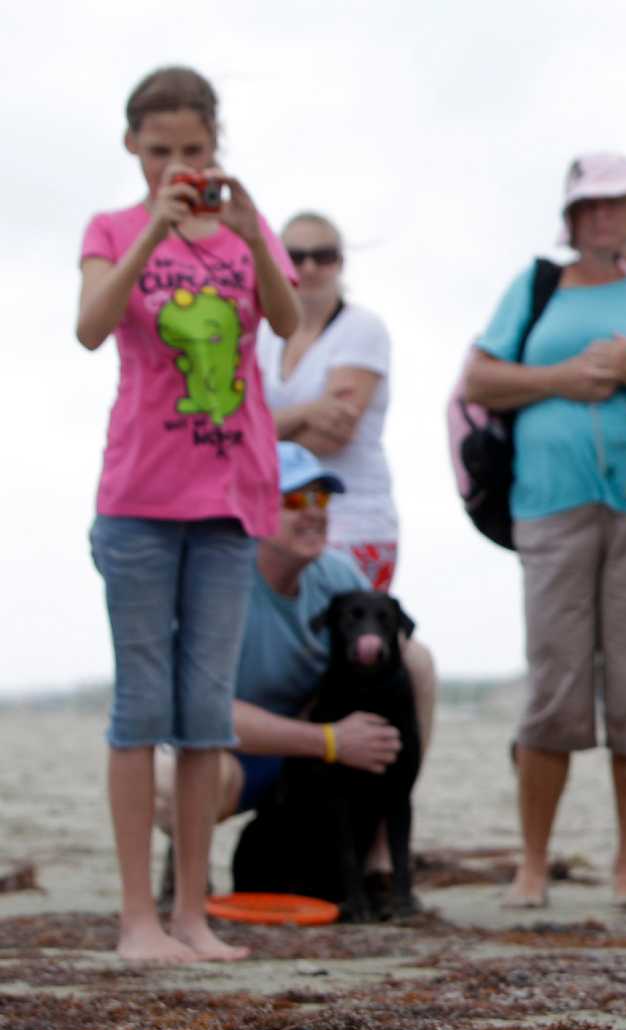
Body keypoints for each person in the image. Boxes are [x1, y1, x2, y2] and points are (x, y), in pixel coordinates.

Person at [462, 152, 626, 910]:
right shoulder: (536, 288)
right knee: (553, 685)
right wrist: (560, 379)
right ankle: (532, 865)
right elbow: (479, 379)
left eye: (617, 203)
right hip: (551, 508)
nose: (603, 216)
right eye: (588, 205)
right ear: (570, 217)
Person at [76, 65, 301, 963]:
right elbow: (91, 325)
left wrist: (249, 233)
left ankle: (193, 917)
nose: (178, 165)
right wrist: (153, 232)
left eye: (195, 150)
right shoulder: (112, 228)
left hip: (233, 496)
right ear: (132, 145)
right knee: (141, 706)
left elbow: (286, 320)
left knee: (207, 714)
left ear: (217, 145)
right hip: (137, 498)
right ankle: (138, 920)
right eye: (160, 150)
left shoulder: (248, 225)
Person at [171, 444, 438, 911]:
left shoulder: (338, 576)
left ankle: (378, 859)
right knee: (165, 776)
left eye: (321, 499)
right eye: (295, 500)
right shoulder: (218, 585)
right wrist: (329, 740)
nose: (314, 513)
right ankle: (185, 869)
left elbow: (386, 657)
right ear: (253, 508)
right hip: (234, 754)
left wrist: (347, 738)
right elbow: (204, 709)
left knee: (415, 659)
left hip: (312, 758)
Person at [258, 212, 398, 589]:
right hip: (276, 530)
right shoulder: (263, 336)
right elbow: (235, 426)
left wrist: (260, 434)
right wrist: (308, 411)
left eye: (323, 256)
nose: (309, 267)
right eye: (296, 256)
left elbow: (333, 435)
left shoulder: (361, 328)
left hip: (354, 521)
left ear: (340, 262)